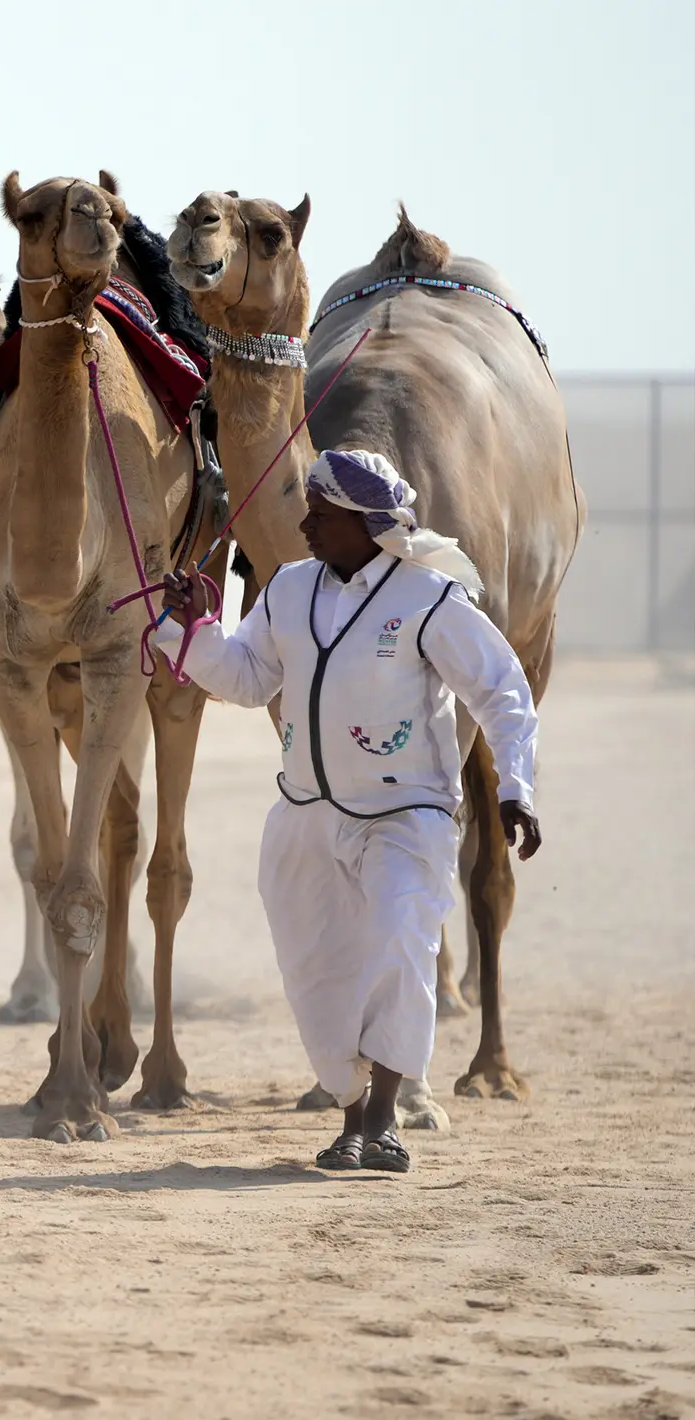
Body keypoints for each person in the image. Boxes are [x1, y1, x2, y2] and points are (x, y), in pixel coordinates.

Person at [156, 448, 542, 1175]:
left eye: (321, 516)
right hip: (305, 819)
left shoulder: (427, 597)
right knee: (322, 974)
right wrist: (191, 629)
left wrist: (515, 786)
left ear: (371, 525)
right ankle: (350, 1116)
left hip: (408, 816)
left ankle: (383, 1118)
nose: (304, 526)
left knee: (399, 950)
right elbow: (244, 679)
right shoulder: (288, 590)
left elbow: (501, 689)